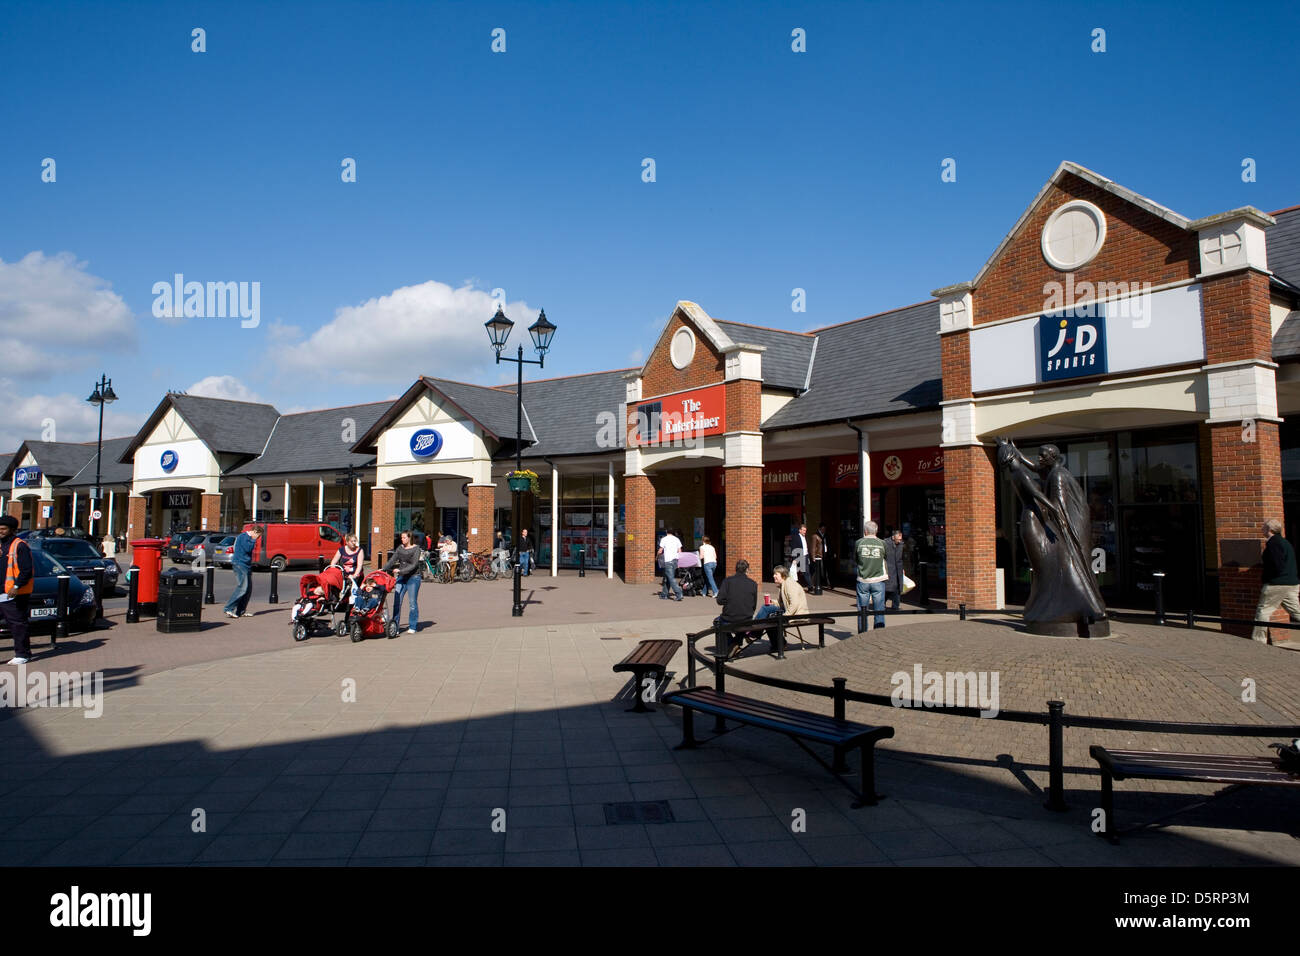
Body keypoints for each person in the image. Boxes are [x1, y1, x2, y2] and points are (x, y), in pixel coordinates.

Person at [1252, 518, 1300, 644]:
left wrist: (1268, 577)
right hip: (1292, 583)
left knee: (1263, 610)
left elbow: (1276, 564)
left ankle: (1258, 641)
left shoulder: (1273, 543)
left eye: (1264, 527)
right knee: (1296, 611)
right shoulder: (1285, 543)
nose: (1262, 529)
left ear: (1270, 530)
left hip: (1276, 584)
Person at [0, 515, 34, 665]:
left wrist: (16, 586)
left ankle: (23, 654)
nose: (0, 531)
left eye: (3, 529)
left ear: (12, 530)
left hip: (12, 593)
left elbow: (26, 570)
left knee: (17, 623)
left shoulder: (20, 545)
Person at [715, 558, 758, 653]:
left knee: (717, 622)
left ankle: (732, 643)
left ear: (736, 569)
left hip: (729, 617)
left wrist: (729, 601)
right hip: (747, 618)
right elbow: (754, 605)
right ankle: (736, 643)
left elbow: (719, 600)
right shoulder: (753, 584)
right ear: (747, 570)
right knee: (742, 622)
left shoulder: (727, 581)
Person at [384, 531, 422, 634]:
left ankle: (412, 626)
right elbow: (392, 560)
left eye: (404, 537)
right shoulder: (400, 548)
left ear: (409, 538)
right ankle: (395, 627)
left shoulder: (416, 549)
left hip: (413, 578)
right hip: (401, 577)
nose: (402, 539)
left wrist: (401, 571)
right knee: (397, 602)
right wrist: (383, 570)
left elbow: (414, 564)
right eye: (401, 538)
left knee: (412, 602)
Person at [854, 520, 888, 631]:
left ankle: (862, 633)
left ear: (865, 531)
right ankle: (878, 634)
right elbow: (886, 557)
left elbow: (856, 559)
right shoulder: (882, 543)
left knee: (862, 611)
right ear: (876, 531)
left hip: (863, 580)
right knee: (879, 610)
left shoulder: (858, 543)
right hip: (878, 579)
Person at [223, 526, 262, 619]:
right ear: (255, 532)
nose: (258, 538)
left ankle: (241, 611)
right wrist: (253, 540)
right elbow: (248, 549)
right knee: (242, 587)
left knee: (248, 589)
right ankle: (228, 608)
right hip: (240, 564)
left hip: (246, 565)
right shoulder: (244, 537)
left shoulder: (247, 537)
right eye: (259, 535)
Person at [329, 532, 366, 601]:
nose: (354, 543)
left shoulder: (359, 550)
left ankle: (353, 601)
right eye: (352, 541)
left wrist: (355, 575)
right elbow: (333, 562)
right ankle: (336, 598)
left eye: (355, 541)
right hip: (344, 574)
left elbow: (359, 565)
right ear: (347, 542)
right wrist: (333, 571)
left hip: (356, 574)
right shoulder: (342, 549)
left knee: (353, 588)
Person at [657, 528, 683, 601]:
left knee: (671, 578)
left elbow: (660, 550)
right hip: (675, 560)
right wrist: (679, 561)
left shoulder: (664, 539)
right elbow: (680, 551)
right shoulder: (677, 539)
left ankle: (679, 593)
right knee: (667, 578)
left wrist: (657, 556)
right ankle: (664, 594)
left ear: (666, 532)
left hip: (668, 561)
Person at [884, 529, 906, 611]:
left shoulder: (901, 544)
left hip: (898, 568)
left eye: (901, 539)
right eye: (898, 539)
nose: (900, 540)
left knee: (897, 587)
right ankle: (882, 604)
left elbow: (901, 558)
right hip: (888, 568)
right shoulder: (885, 543)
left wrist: (902, 569)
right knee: (888, 588)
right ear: (893, 537)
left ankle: (895, 606)